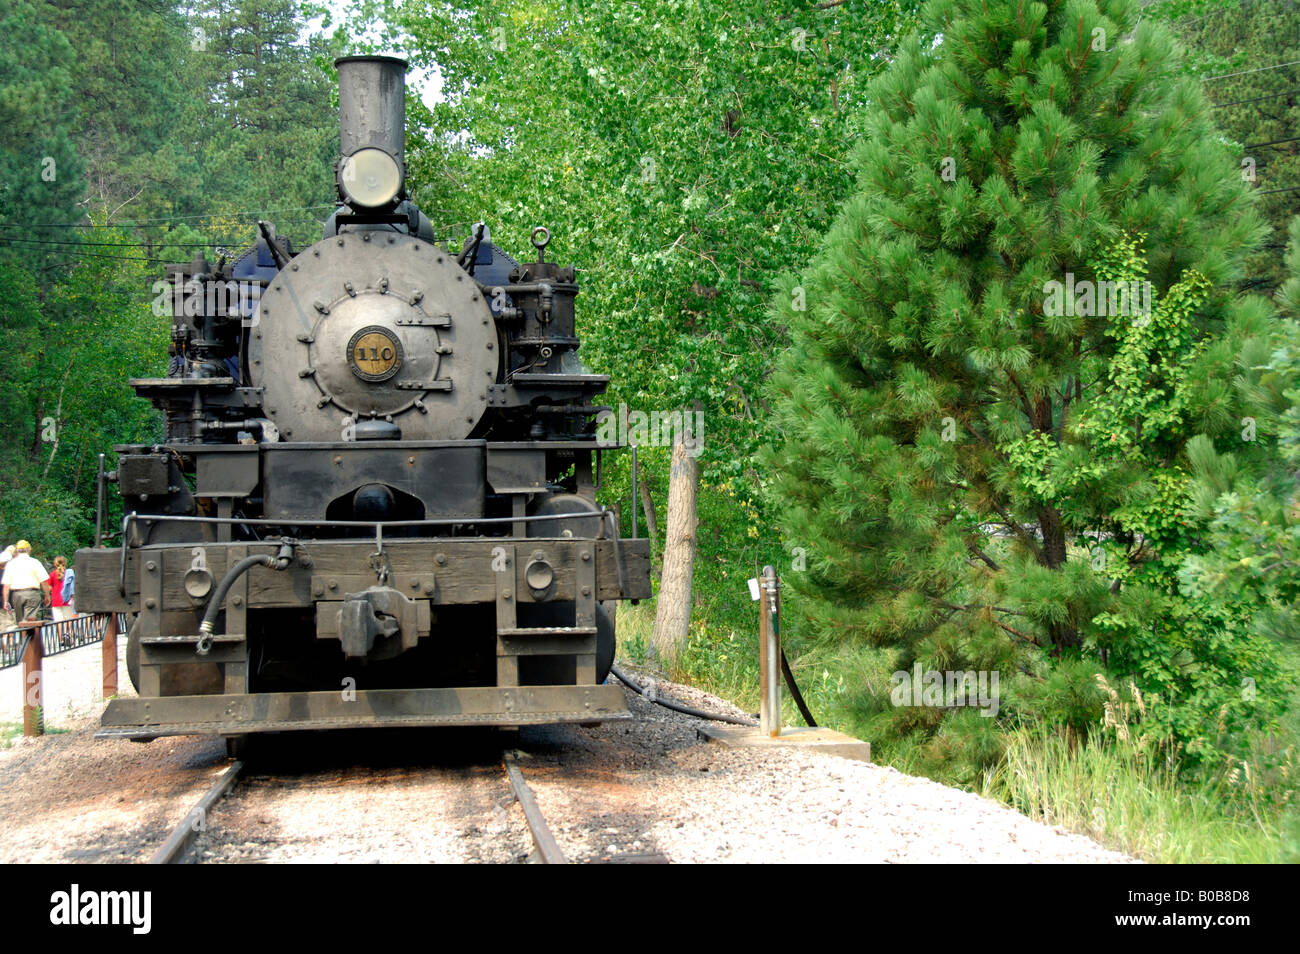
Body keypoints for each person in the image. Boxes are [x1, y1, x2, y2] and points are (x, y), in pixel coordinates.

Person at [2, 541, 51, 623]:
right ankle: (30, 635)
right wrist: (47, 595)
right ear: (29, 550)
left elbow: (6, 586)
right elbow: (44, 581)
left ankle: (24, 634)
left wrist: (6, 601)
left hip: (16, 595)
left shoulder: (11, 564)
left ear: (17, 551)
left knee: (21, 622)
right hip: (32, 594)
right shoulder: (35, 562)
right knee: (31, 621)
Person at [50, 556, 74, 621]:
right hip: (67, 600)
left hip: (55, 600)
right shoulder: (69, 573)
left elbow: (49, 587)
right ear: (65, 563)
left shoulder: (52, 574)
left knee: (58, 621)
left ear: (55, 564)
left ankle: (61, 632)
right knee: (69, 620)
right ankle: (68, 631)